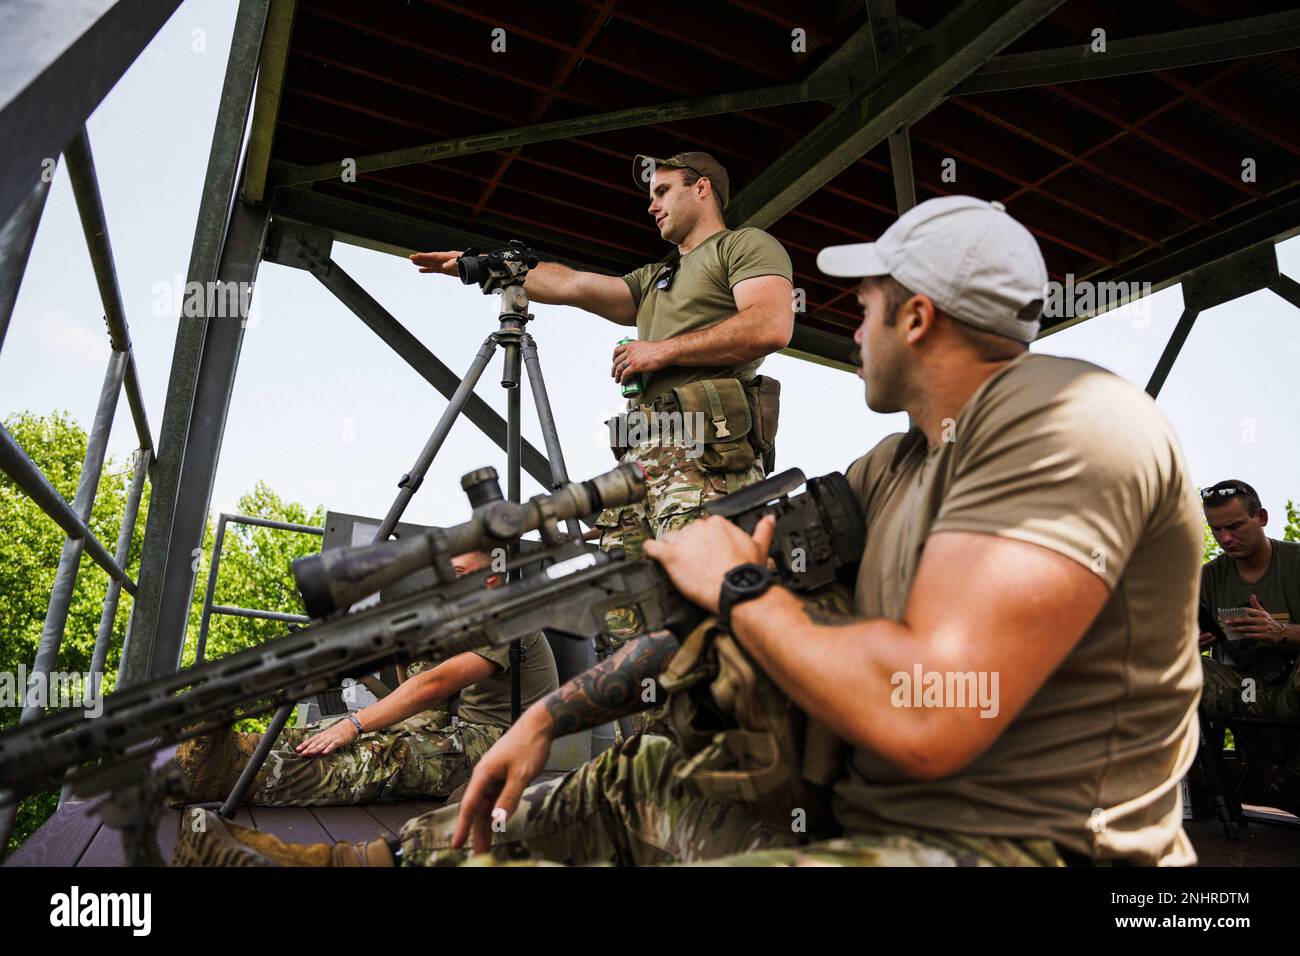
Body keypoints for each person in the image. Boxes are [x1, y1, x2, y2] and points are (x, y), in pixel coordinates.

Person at [174, 196, 1203, 868]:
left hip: (1030, 846)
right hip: (879, 802)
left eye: (867, 300)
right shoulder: (887, 468)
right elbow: (711, 614)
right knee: (627, 780)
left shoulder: (1074, 423)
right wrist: (550, 714)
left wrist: (741, 591)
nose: (850, 319)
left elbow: (933, 708)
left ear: (919, 315)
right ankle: (354, 861)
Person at [410, 151, 793, 642]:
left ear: (701, 189)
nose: (651, 205)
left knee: (707, 607)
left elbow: (771, 324)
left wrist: (662, 350)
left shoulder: (743, 245)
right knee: (625, 622)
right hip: (641, 463)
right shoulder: (655, 277)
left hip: (704, 457)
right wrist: (489, 268)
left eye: (663, 191)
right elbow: (574, 284)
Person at [171, 551, 558, 807]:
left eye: (458, 574)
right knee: (329, 730)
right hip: (464, 728)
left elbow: (434, 686)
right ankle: (235, 749)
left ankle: (234, 778)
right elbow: (421, 683)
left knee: (382, 757)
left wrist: (355, 725)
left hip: (501, 746)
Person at [1197, 479, 1300, 720]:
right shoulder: (1206, 579)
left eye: (1234, 526)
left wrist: (1282, 631)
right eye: (1216, 529)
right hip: (1243, 689)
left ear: (1261, 517)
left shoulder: (1295, 562)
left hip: (1292, 689)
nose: (1225, 538)